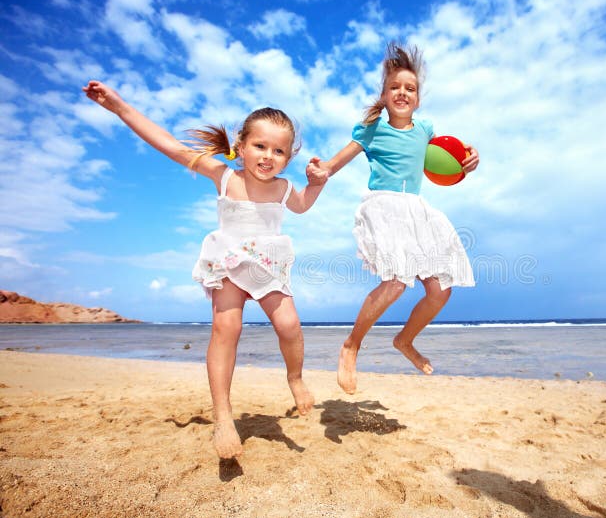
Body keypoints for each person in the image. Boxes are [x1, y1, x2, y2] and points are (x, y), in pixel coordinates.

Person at [82, 80, 328, 459]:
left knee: (290, 325)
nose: (268, 156)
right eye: (260, 146)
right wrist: (119, 107)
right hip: (229, 262)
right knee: (226, 328)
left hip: (266, 265)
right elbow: (170, 145)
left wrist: (317, 184)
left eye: (278, 151)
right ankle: (223, 416)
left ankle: (295, 379)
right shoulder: (225, 176)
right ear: (242, 147)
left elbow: (304, 205)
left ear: (288, 157)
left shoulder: (282, 187)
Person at [309, 43, 479, 394]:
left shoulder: (425, 130)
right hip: (384, 208)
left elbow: (452, 156)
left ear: (418, 99)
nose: (402, 92)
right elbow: (334, 163)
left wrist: (470, 156)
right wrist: (320, 170)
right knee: (396, 283)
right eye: (395, 87)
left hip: (416, 211)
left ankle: (405, 340)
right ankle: (351, 345)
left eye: (410, 88)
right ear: (384, 95)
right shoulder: (371, 130)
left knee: (440, 290)